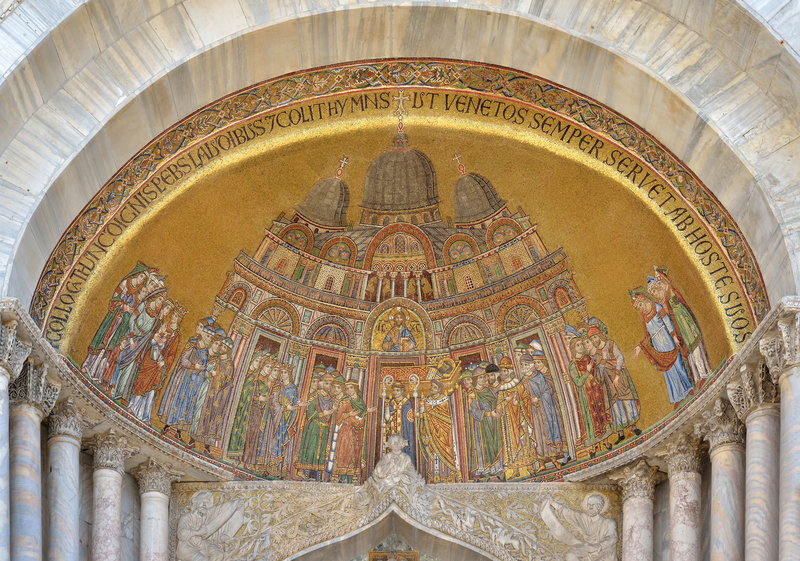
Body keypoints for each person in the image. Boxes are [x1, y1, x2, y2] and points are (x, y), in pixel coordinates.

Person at [82, 263, 153, 383]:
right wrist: (124, 307)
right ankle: (88, 365)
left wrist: (131, 311)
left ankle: (98, 373)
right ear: (136, 274)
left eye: (144, 279)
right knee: (102, 341)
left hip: (122, 325)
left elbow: (135, 309)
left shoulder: (138, 292)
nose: (141, 280)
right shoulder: (125, 283)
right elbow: (114, 300)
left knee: (111, 346)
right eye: (141, 276)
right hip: (114, 318)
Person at [631, 289, 694, 407]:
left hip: (666, 338)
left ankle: (688, 387)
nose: (640, 309)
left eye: (640, 305)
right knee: (668, 370)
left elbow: (668, 322)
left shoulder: (657, 307)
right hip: (657, 344)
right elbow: (648, 336)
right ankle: (677, 397)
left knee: (677, 363)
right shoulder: (644, 317)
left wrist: (674, 337)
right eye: (638, 308)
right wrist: (640, 347)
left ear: (644, 300)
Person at [648, 268, 712, 383]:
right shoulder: (661, 302)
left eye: (660, 283)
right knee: (688, 351)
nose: (655, 294)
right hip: (679, 328)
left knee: (695, 346)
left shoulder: (671, 293)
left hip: (684, 322)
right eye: (652, 294)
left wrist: (669, 311)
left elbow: (678, 309)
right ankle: (697, 377)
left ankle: (703, 372)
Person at [128, 304, 185, 424]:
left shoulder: (176, 335)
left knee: (152, 390)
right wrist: (156, 337)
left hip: (160, 364)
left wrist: (164, 362)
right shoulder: (163, 325)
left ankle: (145, 416)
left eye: (176, 316)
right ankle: (132, 406)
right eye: (173, 314)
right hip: (150, 358)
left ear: (179, 319)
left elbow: (173, 354)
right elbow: (152, 338)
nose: (173, 317)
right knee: (142, 381)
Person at [111, 287, 169, 403]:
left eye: (162, 302)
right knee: (121, 360)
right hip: (131, 337)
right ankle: (112, 386)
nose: (160, 303)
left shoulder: (157, 316)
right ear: (155, 298)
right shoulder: (144, 305)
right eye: (160, 300)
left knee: (131, 367)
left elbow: (153, 332)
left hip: (141, 343)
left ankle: (120, 393)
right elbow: (132, 319)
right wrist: (132, 339)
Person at [587, 324, 641, 445]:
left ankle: (634, 427)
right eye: (591, 339)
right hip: (608, 383)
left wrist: (617, 375)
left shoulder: (610, 344)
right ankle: (621, 434)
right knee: (616, 407)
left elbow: (620, 357)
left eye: (595, 337)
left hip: (619, 377)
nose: (594, 341)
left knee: (627, 401)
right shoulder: (597, 355)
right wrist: (603, 360)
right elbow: (600, 374)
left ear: (600, 335)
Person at [520, 352, 569, 468]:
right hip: (533, 414)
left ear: (531, 365)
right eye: (522, 365)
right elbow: (522, 396)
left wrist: (538, 399)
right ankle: (541, 463)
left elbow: (546, 391)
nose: (523, 367)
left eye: (526, 364)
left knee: (547, 434)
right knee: (537, 437)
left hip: (543, 411)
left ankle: (554, 460)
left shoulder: (539, 377)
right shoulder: (523, 381)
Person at [540, 493, 617, 561]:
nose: (590, 507)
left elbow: (612, 539)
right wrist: (553, 503)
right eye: (589, 505)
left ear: (599, 507)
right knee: (570, 555)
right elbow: (569, 514)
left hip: (601, 552)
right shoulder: (584, 518)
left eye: (593, 505)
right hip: (587, 549)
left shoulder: (609, 523)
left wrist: (597, 547)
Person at [492, 357, 533, 480]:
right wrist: (507, 401)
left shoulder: (518, 384)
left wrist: (518, 403)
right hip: (508, 421)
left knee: (524, 440)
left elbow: (526, 399)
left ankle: (530, 467)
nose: (503, 373)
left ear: (510, 371)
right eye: (501, 371)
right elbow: (499, 406)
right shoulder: (501, 388)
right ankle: (515, 470)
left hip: (520, 417)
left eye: (505, 371)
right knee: (512, 444)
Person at [195, 336, 237, 452]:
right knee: (202, 415)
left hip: (220, 396)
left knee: (213, 419)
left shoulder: (229, 364)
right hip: (208, 392)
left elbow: (228, 380)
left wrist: (217, 378)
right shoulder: (215, 360)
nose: (221, 348)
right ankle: (194, 440)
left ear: (228, 350)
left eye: (224, 347)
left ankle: (207, 447)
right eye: (221, 345)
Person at [417, 379, 462, 482]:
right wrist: (422, 406)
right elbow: (424, 416)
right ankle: (434, 477)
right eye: (431, 386)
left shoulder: (444, 400)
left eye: (434, 387)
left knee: (446, 452)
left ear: (439, 389)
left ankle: (449, 476)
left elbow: (447, 418)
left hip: (444, 432)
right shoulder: (427, 400)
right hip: (431, 432)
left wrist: (429, 411)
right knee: (433, 452)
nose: (431, 388)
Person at [326, 375, 367, 483]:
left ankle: (353, 478)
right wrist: (349, 414)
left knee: (355, 454)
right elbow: (338, 419)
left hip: (358, 432)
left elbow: (364, 415)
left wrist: (367, 413)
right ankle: (339, 477)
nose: (349, 391)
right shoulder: (345, 402)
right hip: (346, 432)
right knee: (344, 454)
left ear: (356, 388)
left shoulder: (361, 403)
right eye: (347, 389)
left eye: (351, 388)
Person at [295, 373, 334, 481]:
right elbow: (309, 414)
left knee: (321, 454)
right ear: (322, 384)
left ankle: (318, 478)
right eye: (327, 383)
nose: (329, 386)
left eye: (331, 384)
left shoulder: (331, 398)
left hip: (325, 429)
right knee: (311, 452)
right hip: (314, 428)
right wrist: (323, 414)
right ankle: (307, 477)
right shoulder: (314, 397)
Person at [226, 352, 264, 458]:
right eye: (257, 360)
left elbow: (252, 392)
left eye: (260, 362)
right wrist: (257, 398)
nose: (258, 363)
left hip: (246, 408)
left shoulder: (255, 377)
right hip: (238, 405)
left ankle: (237, 454)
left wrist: (257, 398)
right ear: (252, 360)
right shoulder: (245, 373)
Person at [468, 369, 502, 479]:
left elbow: (495, 403)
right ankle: (486, 470)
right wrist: (489, 414)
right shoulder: (472, 394)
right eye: (480, 377)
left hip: (492, 422)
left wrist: (498, 409)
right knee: (485, 446)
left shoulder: (488, 391)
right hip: (481, 424)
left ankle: (496, 468)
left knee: (494, 444)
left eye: (484, 377)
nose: (483, 379)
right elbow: (473, 411)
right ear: (475, 380)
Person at [383, 382, 416, 465]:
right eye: (394, 390)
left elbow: (409, 421)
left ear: (402, 391)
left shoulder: (407, 403)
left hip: (403, 432)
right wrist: (387, 407)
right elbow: (387, 419)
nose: (395, 392)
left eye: (397, 390)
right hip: (392, 432)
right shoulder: (391, 403)